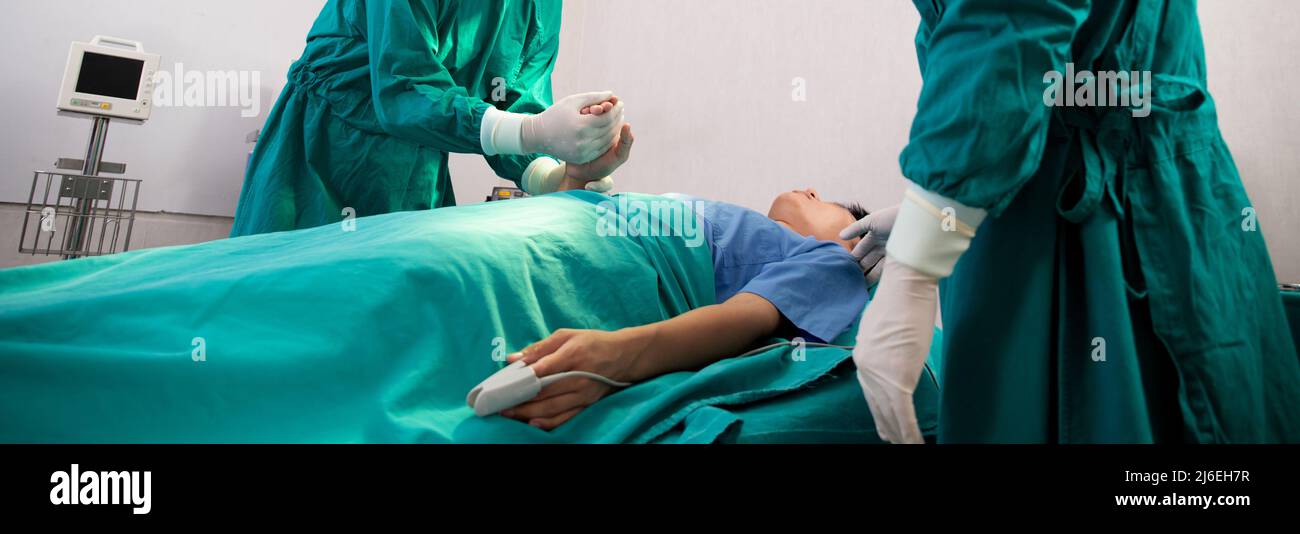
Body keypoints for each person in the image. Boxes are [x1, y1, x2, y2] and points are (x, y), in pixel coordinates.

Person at [841, 0, 1300, 443]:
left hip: (1092, 219)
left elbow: (1010, 31)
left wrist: (924, 241)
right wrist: (940, 208)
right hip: (1063, 193)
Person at [230, 0, 628, 237]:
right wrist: (532, 132)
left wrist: (553, 173)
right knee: (286, 328)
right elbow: (406, 84)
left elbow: (512, 93)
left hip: (417, 175)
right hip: (322, 158)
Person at [502, 189, 873, 429]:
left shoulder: (831, 262)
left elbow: (747, 317)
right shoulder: (747, 228)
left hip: (632, 251)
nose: (810, 190)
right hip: (582, 215)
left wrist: (617, 357)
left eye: (832, 206)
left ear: (857, 247)